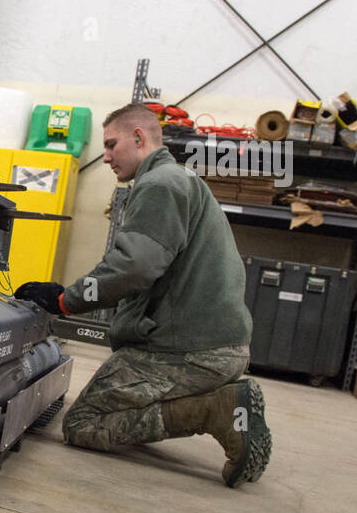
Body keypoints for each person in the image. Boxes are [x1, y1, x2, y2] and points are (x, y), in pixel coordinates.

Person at [14, 102, 271, 488]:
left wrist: (66, 299)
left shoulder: (160, 185)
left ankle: (214, 410)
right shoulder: (181, 181)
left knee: (84, 424)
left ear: (139, 137)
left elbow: (134, 267)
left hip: (186, 351)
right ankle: (217, 397)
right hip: (216, 345)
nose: (105, 157)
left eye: (112, 144)